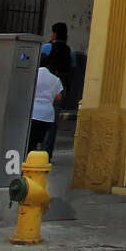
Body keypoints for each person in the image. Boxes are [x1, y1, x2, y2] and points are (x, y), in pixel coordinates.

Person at [40, 22, 72, 157]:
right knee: (53, 124)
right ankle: (47, 154)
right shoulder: (70, 51)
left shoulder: (47, 48)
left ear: (55, 33)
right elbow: (72, 71)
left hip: (43, 87)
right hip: (59, 89)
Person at [28, 53, 64, 155]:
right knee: (43, 139)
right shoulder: (55, 79)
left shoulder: (32, 76)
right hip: (47, 115)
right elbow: (58, 98)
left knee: (30, 141)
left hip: (33, 112)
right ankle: (43, 157)